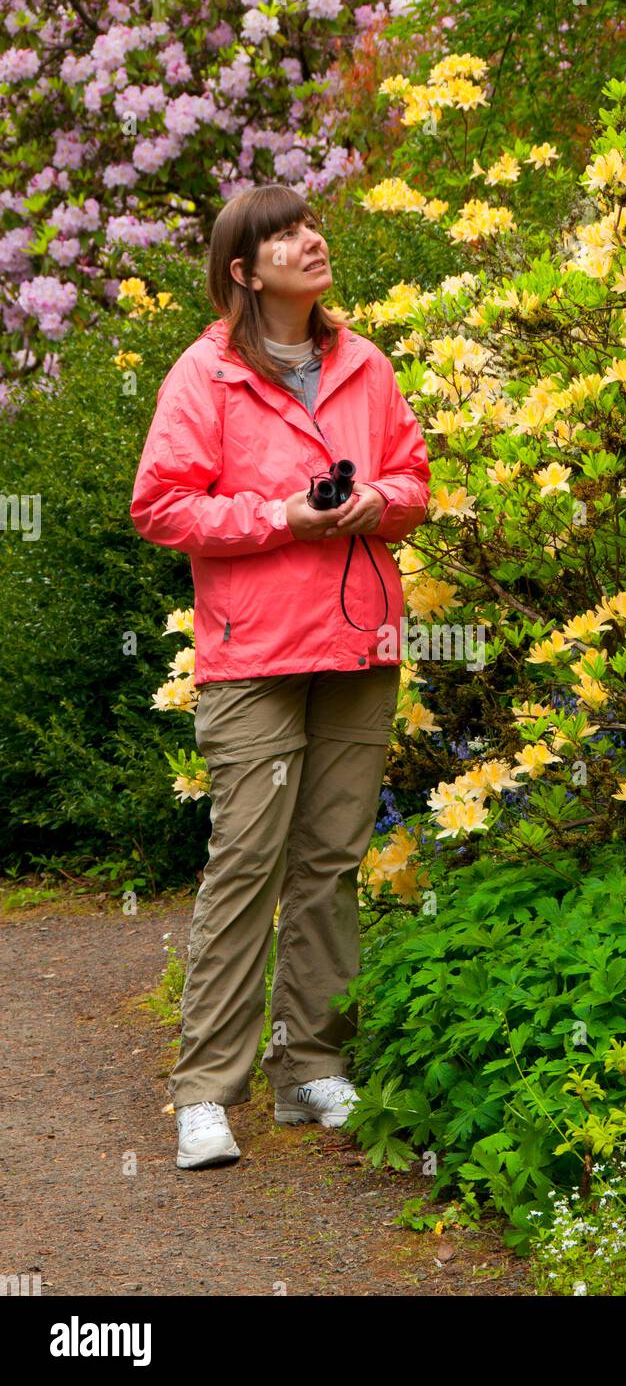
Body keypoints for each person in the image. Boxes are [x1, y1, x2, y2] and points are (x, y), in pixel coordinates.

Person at [129, 183, 430, 1170]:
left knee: (331, 863)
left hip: (355, 647)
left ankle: (310, 1067)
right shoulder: (203, 375)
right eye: (283, 236)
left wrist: (372, 501)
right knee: (246, 865)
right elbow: (164, 507)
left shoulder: (364, 363)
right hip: (253, 654)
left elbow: (412, 482)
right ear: (243, 272)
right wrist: (279, 517)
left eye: (310, 225)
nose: (310, 239)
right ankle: (204, 1094)